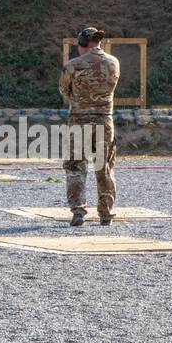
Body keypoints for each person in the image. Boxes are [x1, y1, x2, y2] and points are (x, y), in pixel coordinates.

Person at [59, 27, 121, 226]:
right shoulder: (113, 63)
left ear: (83, 43)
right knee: (105, 168)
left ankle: (78, 211)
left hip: (79, 119)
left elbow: (64, 90)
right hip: (105, 120)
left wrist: (79, 101)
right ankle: (106, 213)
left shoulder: (72, 65)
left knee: (76, 166)